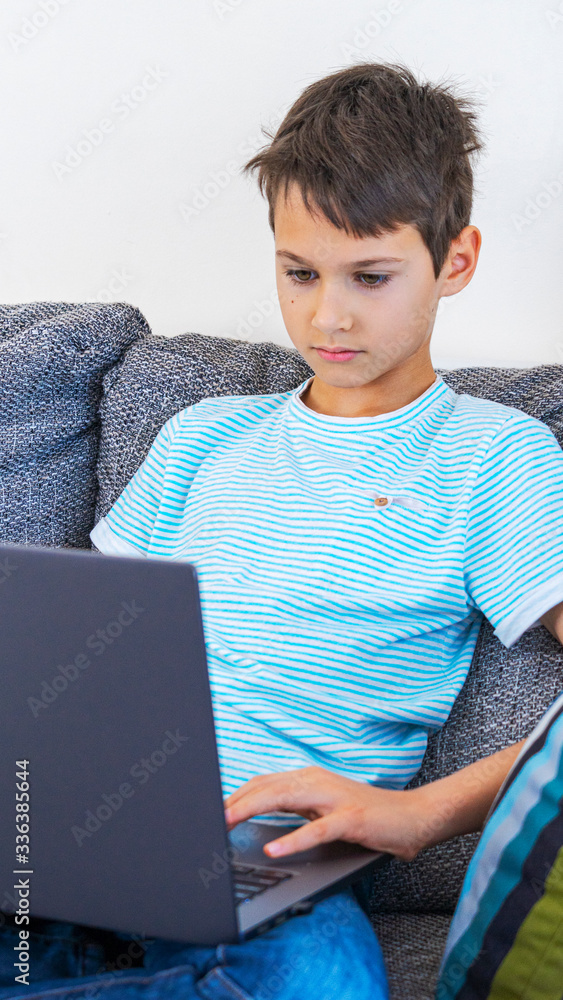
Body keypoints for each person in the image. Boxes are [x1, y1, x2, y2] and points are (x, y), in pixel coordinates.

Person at [3, 61, 563, 1000]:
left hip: (280, 854)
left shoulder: (493, 455)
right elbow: (61, 645)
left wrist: (421, 815)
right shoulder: (202, 434)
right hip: (82, 829)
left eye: (370, 277)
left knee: (318, 982)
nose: (325, 315)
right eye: (298, 272)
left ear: (455, 261)